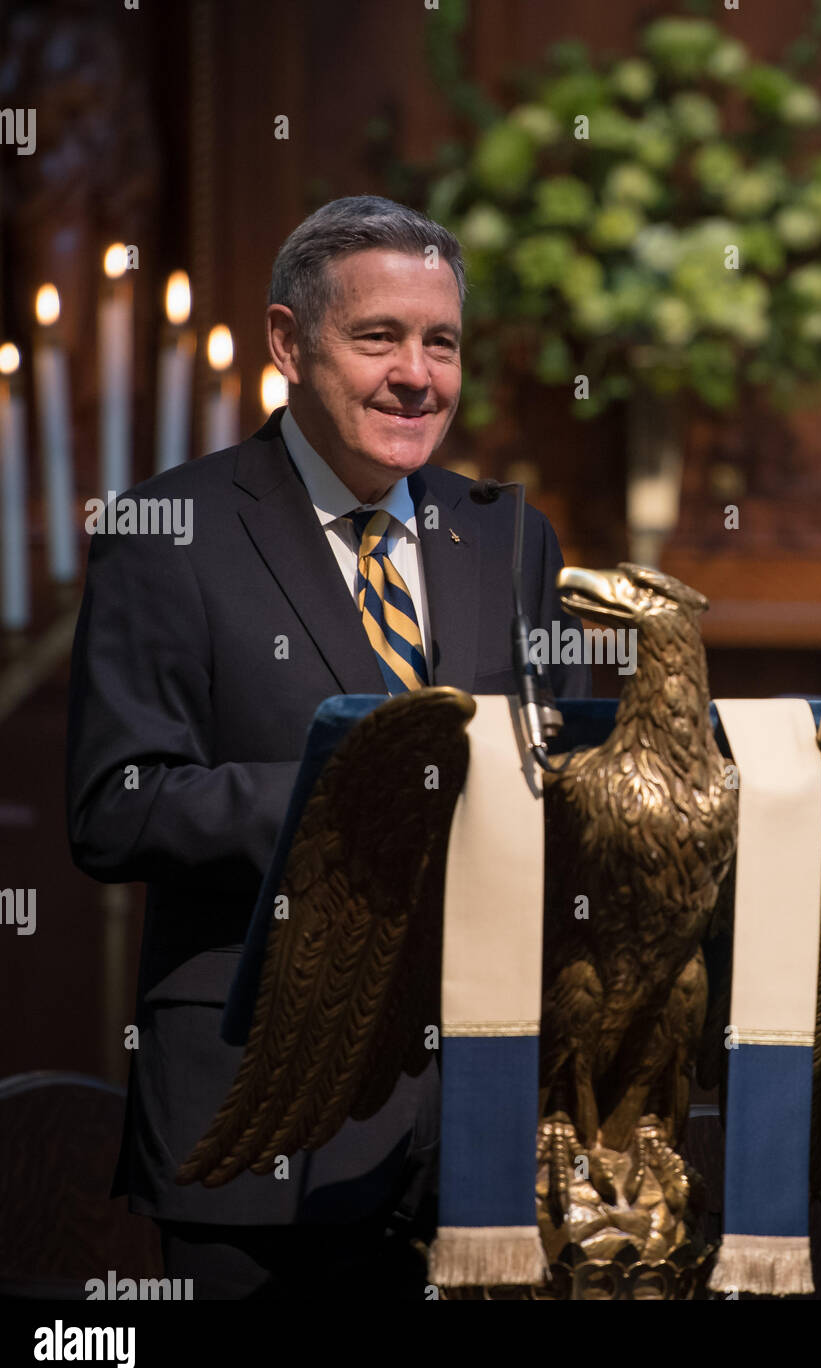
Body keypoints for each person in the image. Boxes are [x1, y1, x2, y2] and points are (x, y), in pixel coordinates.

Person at [66, 195, 590, 1298]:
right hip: (259, 1126)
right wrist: (351, 795)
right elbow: (117, 806)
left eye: (440, 342)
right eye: (379, 337)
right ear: (288, 344)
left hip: (484, 1126)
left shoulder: (504, 533)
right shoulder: (170, 535)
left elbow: (561, 774)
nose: (417, 375)